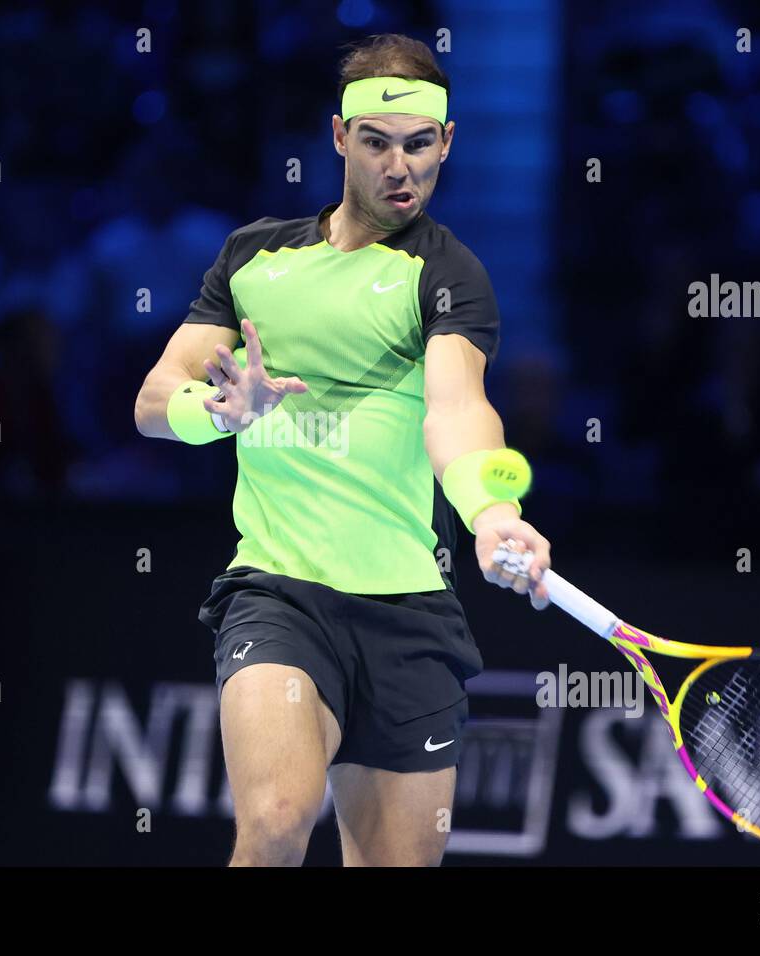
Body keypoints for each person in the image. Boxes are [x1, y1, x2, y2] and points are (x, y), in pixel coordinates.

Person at [134, 34, 553, 866]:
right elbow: (152, 402)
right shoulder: (255, 256)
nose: (400, 166)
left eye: (419, 144)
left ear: (447, 142)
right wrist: (221, 411)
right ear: (338, 137)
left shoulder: (447, 274)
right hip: (279, 592)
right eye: (377, 141)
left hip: (409, 614)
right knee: (279, 819)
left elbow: (456, 406)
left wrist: (492, 510)